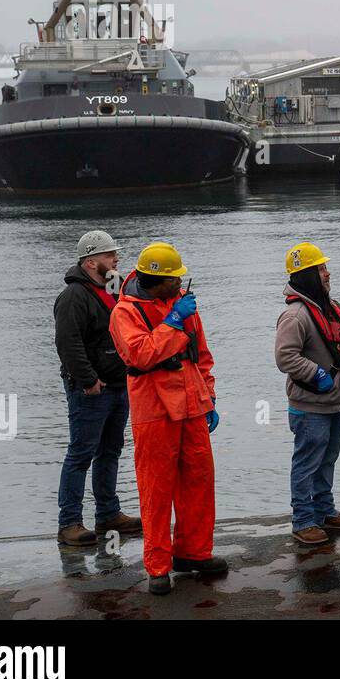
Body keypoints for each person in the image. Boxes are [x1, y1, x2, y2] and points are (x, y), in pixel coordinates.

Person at [109, 242, 226, 595]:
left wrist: (209, 397)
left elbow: (201, 355)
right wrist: (173, 323)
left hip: (191, 406)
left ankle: (193, 552)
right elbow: (141, 355)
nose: (180, 284)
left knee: (199, 481)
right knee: (156, 489)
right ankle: (158, 566)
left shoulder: (183, 306)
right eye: (173, 279)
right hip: (154, 411)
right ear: (154, 280)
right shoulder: (125, 313)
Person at [53, 230, 141, 546]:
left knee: (110, 451)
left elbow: (131, 315)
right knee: (81, 454)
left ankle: (108, 514)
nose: (116, 258)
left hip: (119, 383)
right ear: (91, 262)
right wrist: (88, 380)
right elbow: (68, 342)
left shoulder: (113, 285)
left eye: (114, 254)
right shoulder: (74, 297)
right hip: (91, 389)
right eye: (108, 255)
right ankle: (69, 523)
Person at [275, 242, 340, 547]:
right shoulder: (295, 316)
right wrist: (317, 375)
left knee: (328, 459)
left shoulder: (328, 307)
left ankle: (325, 512)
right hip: (310, 406)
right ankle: (303, 520)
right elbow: (285, 357)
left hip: (333, 402)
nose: (327, 273)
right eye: (321, 269)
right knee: (307, 462)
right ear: (308, 275)